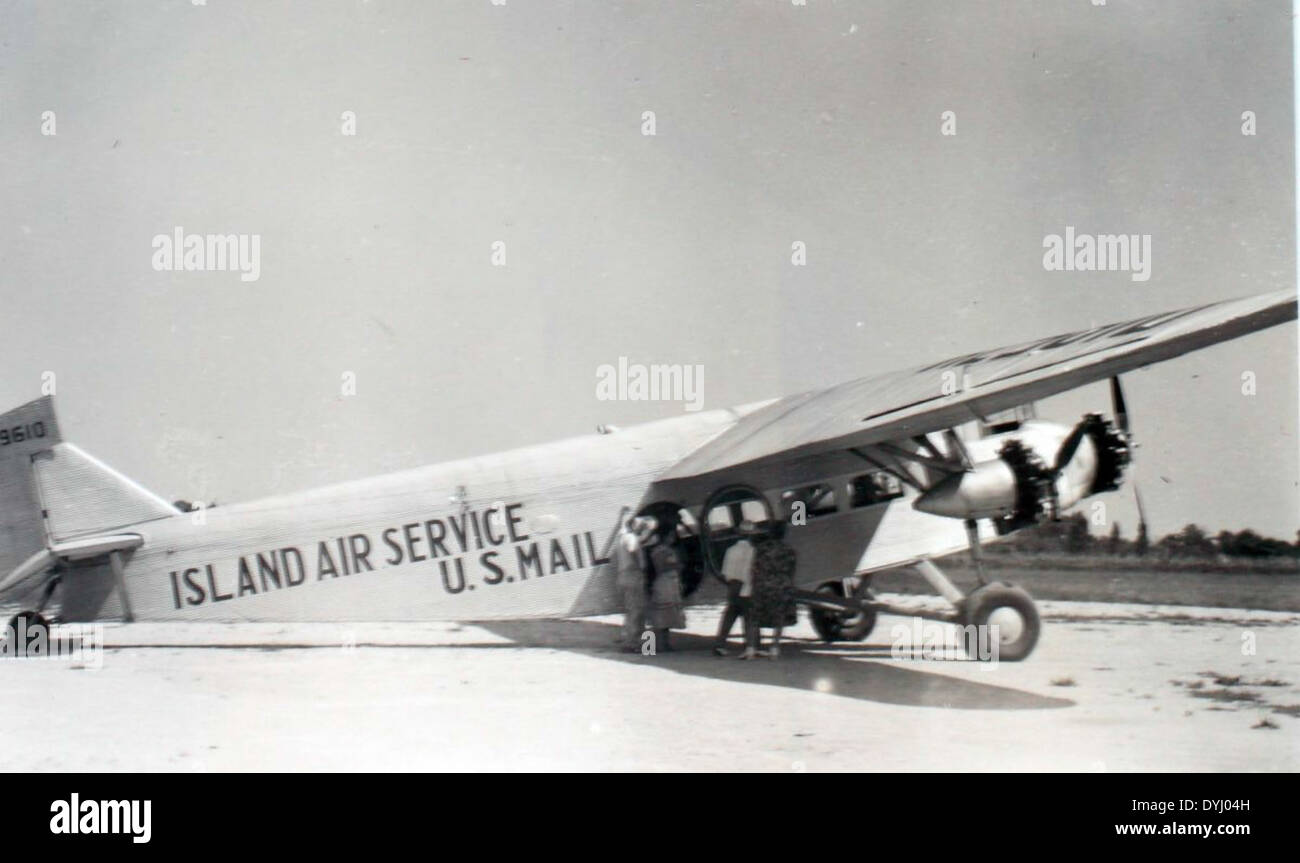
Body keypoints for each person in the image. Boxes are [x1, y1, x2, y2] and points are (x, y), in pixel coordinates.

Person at [713, 519, 759, 659]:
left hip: (733, 584)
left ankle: (720, 644)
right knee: (749, 616)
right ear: (751, 535)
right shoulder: (753, 551)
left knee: (730, 615)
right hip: (747, 584)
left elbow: (725, 572)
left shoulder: (730, 550)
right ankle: (750, 647)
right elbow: (750, 571)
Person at [750, 526, 798, 659]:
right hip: (782, 586)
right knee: (779, 618)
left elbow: (755, 567)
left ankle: (752, 648)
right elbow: (792, 570)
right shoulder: (789, 550)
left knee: (755, 617)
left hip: (763, 585)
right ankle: (774, 648)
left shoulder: (761, 549)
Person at [614, 516, 654, 651]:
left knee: (630, 610)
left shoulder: (621, 537)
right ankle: (633, 643)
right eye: (641, 527)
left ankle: (628, 639)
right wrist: (641, 562)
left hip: (622, 576)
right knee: (637, 610)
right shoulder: (632, 538)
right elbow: (633, 549)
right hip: (633, 575)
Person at [645, 522, 686, 652]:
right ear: (666, 536)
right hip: (665, 583)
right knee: (662, 615)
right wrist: (677, 566)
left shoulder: (659, 550)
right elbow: (663, 567)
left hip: (668, 582)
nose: (673, 538)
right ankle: (654, 645)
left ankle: (663, 644)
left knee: (665, 616)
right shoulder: (663, 551)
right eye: (671, 535)